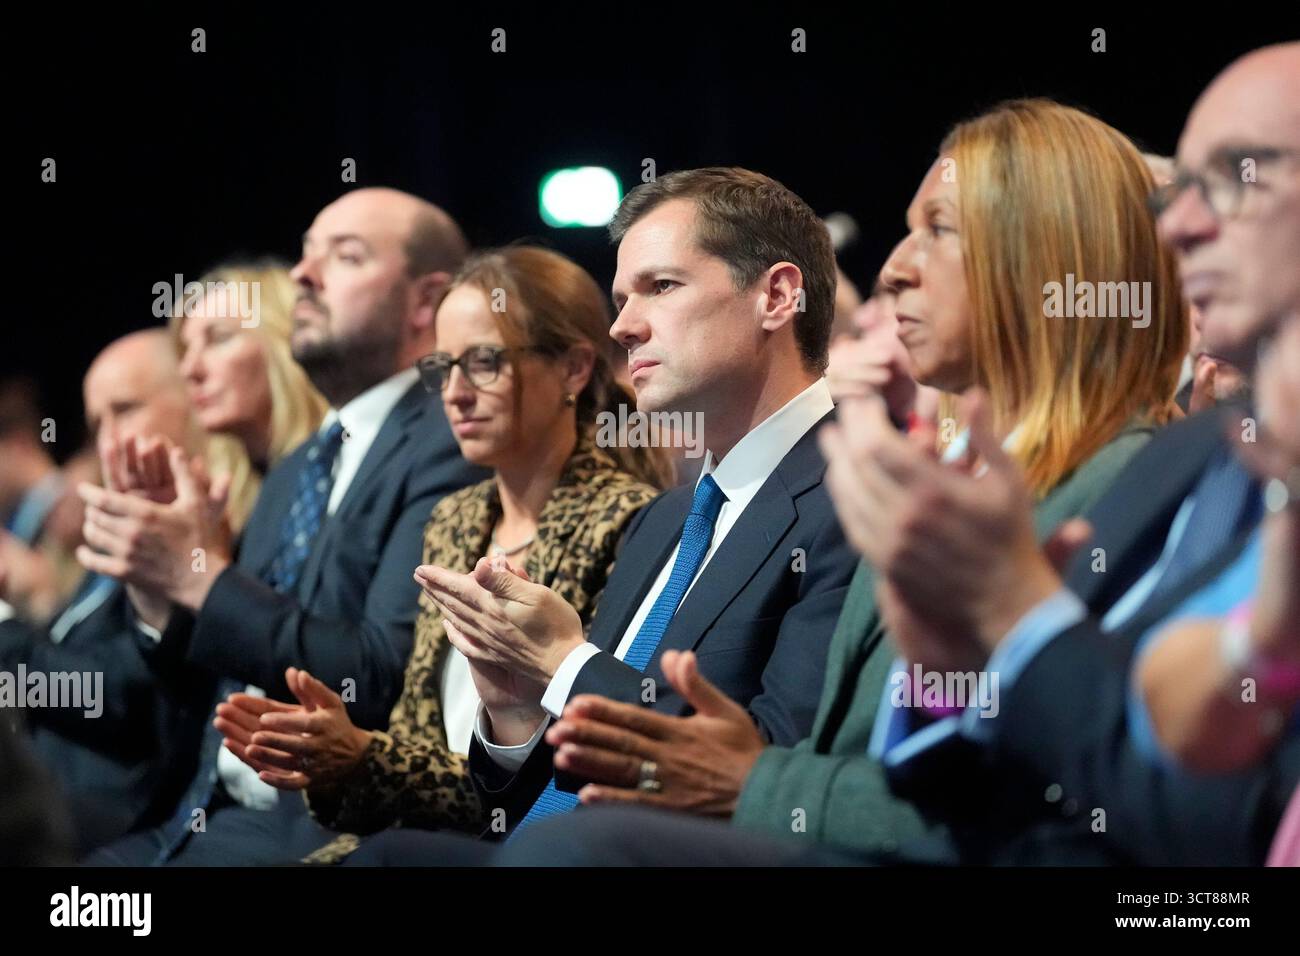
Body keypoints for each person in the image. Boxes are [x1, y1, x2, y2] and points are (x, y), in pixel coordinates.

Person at [488, 97, 1194, 866]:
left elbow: (1077, 806)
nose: (893, 267)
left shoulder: (1135, 484)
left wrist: (749, 777)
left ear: (1055, 253)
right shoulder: (937, 486)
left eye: (940, 229)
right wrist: (516, 711)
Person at [830, 42, 1300, 866]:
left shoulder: (1123, 461)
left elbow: (1187, 825)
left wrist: (1016, 617)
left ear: (1047, 257)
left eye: (1239, 171)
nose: (1181, 222)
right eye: (1183, 188)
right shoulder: (1196, 455)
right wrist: (950, 674)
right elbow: (1067, 759)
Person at [346, 166, 860, 862]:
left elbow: (767, 769)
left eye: (661, 287)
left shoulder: (856, 497)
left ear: (776, 295)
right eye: (620, 299)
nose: (623, 325)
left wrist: (567, 661)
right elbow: (528, 803)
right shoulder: (665, 522)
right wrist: (517, 710)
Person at [217, 245, 667, 862]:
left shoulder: (629, 519)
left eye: (484, 363)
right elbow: (422, 744)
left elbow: (557, 777)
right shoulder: (454, 518)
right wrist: (343, 755)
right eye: (442, 368)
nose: (453, 393)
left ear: (575, 369)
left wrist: (362, 756)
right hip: (416, 837)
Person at [83, 188, 489, 864]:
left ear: (427, 301)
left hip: (319, 827)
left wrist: (203, 576)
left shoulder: (447, 439)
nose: (303, 274)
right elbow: (211, 682)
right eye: (305, 255)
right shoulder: (300, 462)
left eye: (345, 255)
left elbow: (375, 675)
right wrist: (160, 589)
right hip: (201, 808)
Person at [0, 331, 216, 853]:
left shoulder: (211, 533)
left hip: (112, 823)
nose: (108, 443)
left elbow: (120, 699)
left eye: (126, 410)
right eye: (97, 423)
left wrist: (6, 622)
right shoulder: (113, 532)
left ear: (197, 401)